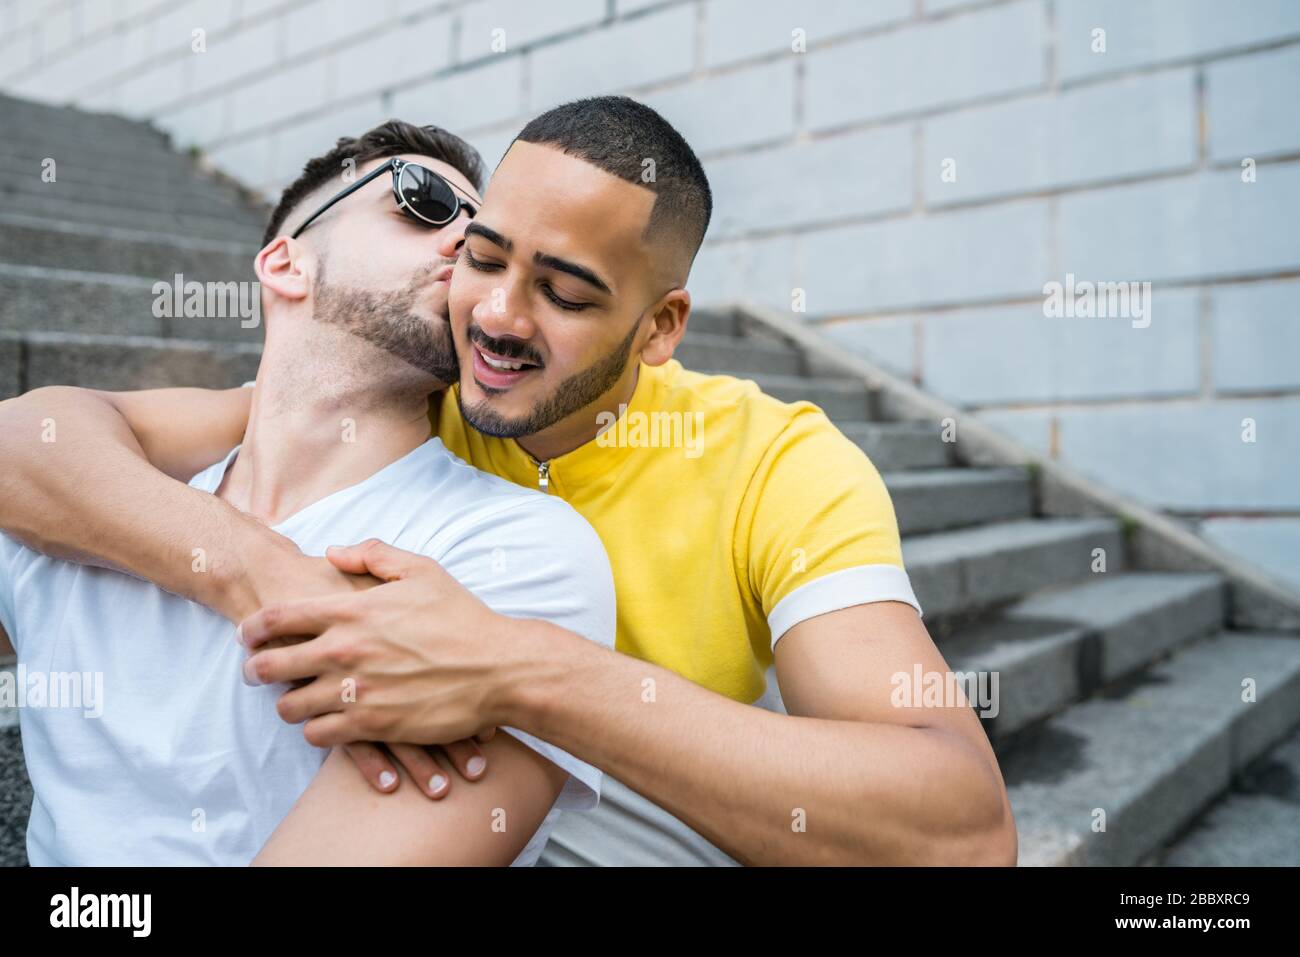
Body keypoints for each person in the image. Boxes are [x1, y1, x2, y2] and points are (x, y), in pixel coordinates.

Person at [0, 98, 1017, 865]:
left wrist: (520, 668)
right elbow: (45, 442)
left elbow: (959, 830)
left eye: (565, 290)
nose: (492, 312)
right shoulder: (397, 404)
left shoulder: (777, 465)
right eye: (470, 243)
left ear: (660, 326)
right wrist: (274, 580)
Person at [0, 121, 615, 865]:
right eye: (420, 201)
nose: (469, 244)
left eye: (483, 232)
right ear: (285, 263)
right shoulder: (90, 507)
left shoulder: (513, 553)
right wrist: (256, 567)